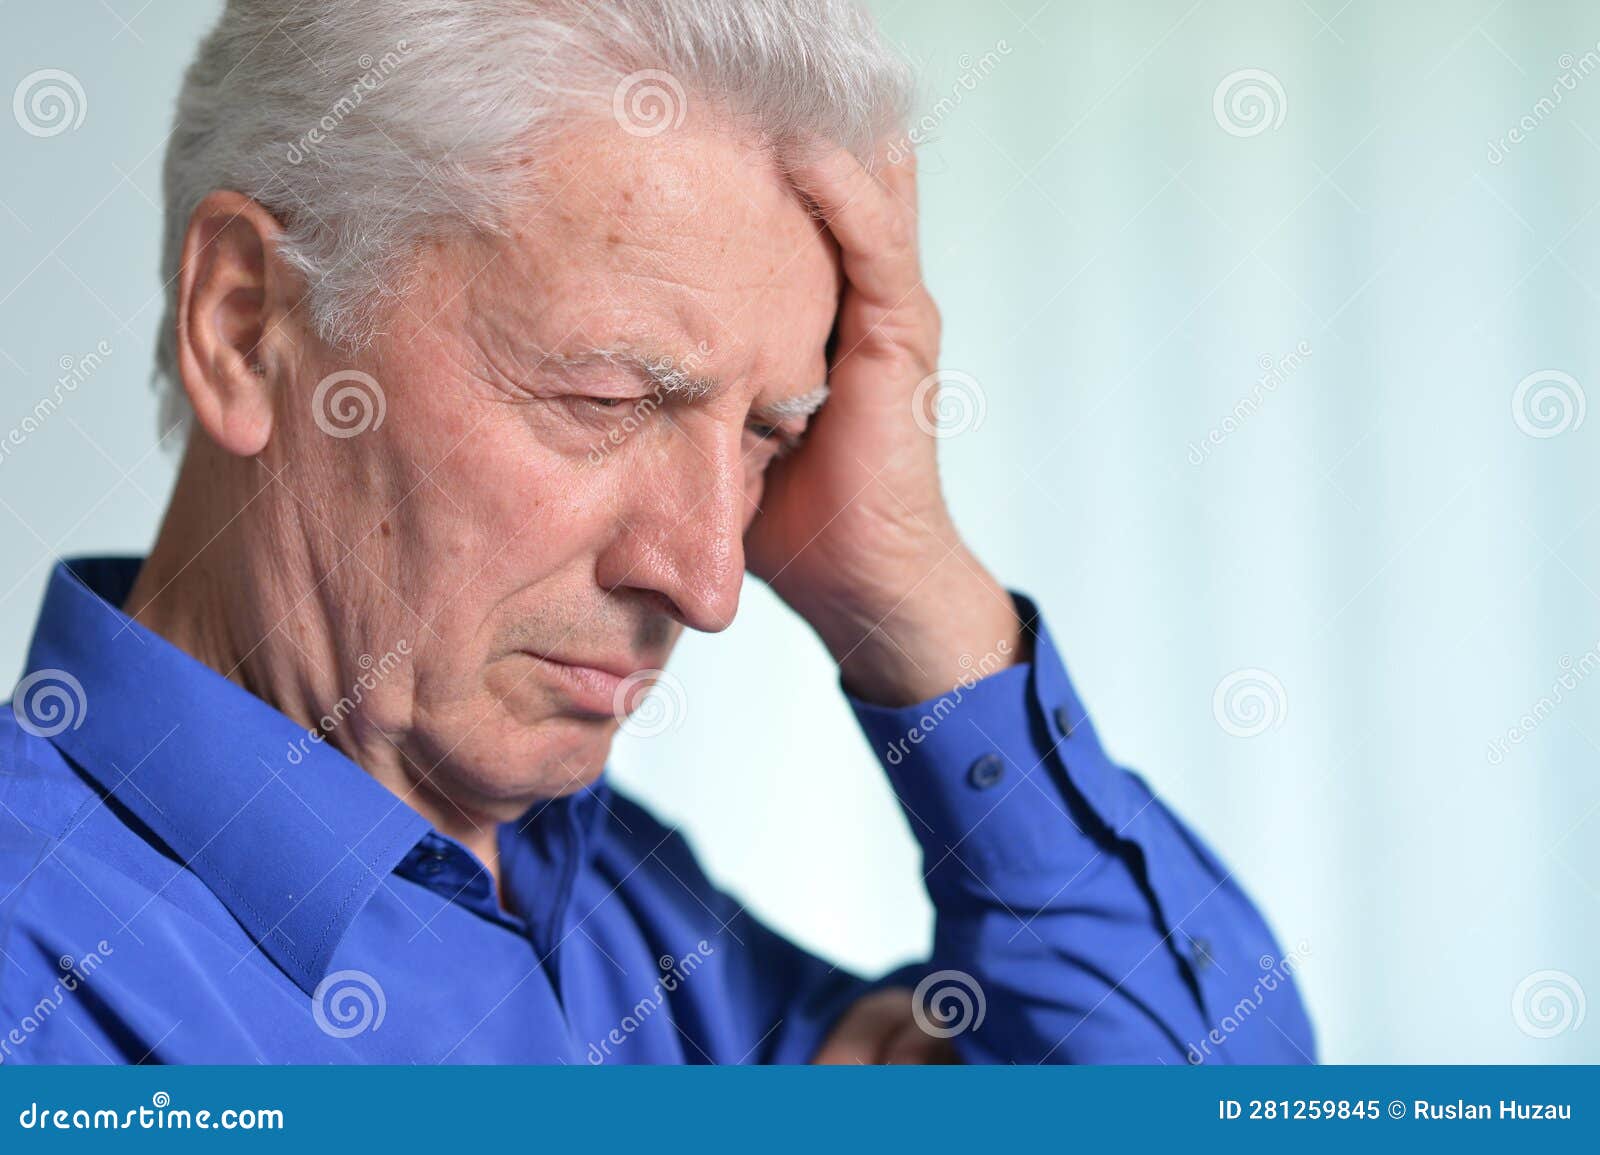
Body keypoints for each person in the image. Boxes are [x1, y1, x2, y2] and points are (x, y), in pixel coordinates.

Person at [0, 0, 1313, 1064]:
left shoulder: (619, 906)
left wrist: (916, 601)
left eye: (770, 436)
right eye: (608, 399)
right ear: (247, 323)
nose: (709, 579)